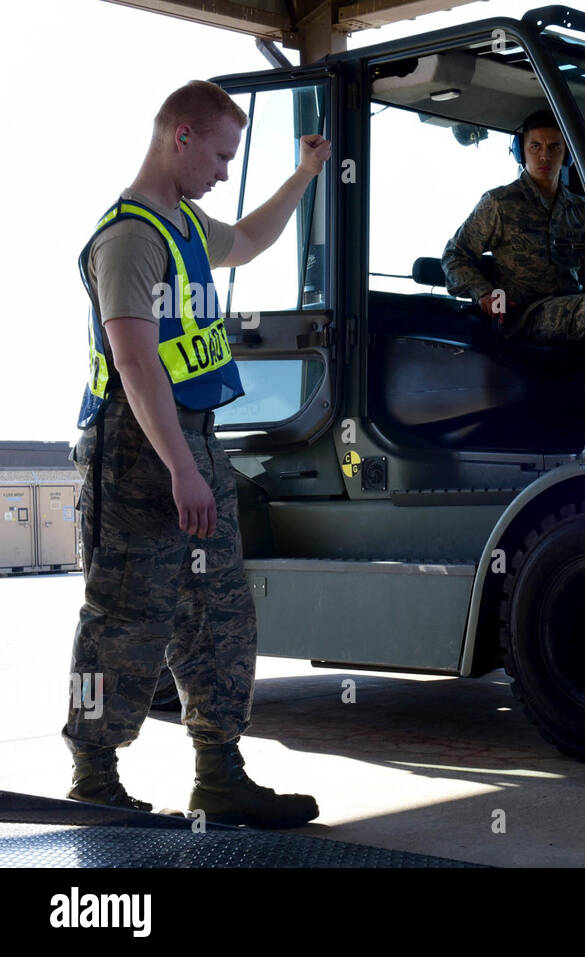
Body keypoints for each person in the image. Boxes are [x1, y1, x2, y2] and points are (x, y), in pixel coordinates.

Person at [65, 79, 330, 828]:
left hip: (194, 439)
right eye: (218, 155)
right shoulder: (130, 237)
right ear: (180, 136)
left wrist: (306, 174)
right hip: (136, 447)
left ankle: (220, 772)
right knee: (120, 618)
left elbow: (247, 238)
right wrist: (181, 467)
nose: (222, 170)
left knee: (218, 613)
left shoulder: (184, 223)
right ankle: (92, 772)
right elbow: (136, 362)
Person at [442, 110, 585, 356]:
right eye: (535, 146)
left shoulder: (579, 209)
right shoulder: (499, 202)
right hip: (525, 316)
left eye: (554, 147)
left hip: (570, 309)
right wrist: (485, 294)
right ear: (521, 152)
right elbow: (455, 255)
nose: (544, 156)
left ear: (567, 153)